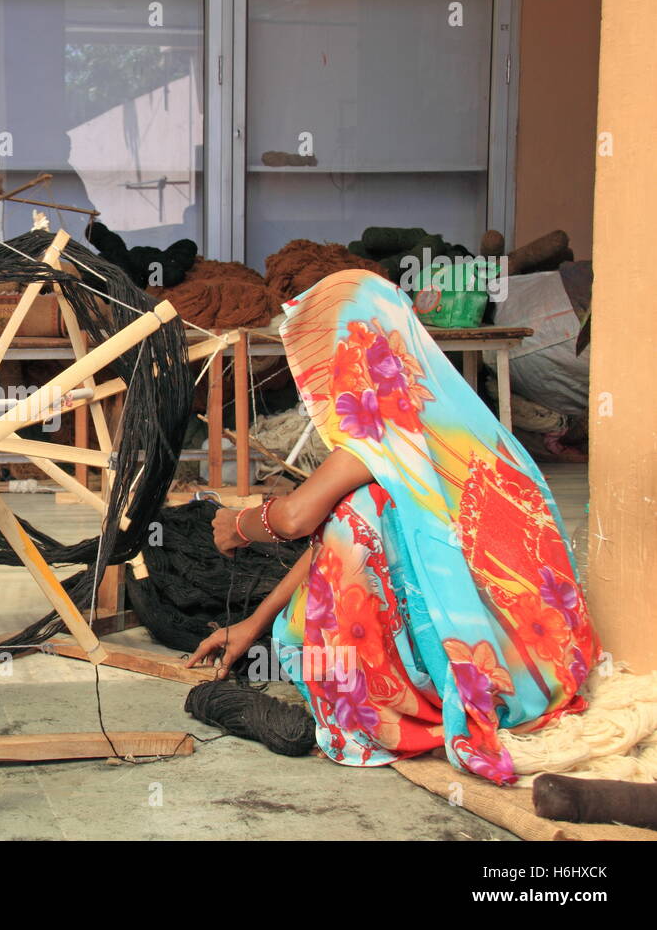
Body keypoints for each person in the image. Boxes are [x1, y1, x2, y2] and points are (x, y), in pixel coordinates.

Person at [185, 269, 599, 784]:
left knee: (359, 507)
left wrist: (238, 526)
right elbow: (330, 543)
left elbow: (297, 519)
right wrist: (254, 625)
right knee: (362, 511)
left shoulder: (380, 437)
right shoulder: (459, 423)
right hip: (547, 661)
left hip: (492, 680)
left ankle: (380, 704)